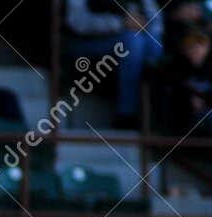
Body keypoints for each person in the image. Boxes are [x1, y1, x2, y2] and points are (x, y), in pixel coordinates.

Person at [64, 0, 164, 130]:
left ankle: (155, 116)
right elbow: (77, 21)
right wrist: (121, 23)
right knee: (133, 41)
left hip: (134, 40)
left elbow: (156, 21)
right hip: (87, 42)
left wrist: (146, 25)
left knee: (154, 43)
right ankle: (126, 115)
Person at [160, 27, 212, 139]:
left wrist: (205, 101)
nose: (197, 49)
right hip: (183, 117)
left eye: (201, 44)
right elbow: (172, 97)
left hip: (210, 111)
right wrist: (189, 100)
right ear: (183, 48)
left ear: (208, 48)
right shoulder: (174, 68)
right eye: (192, 45)